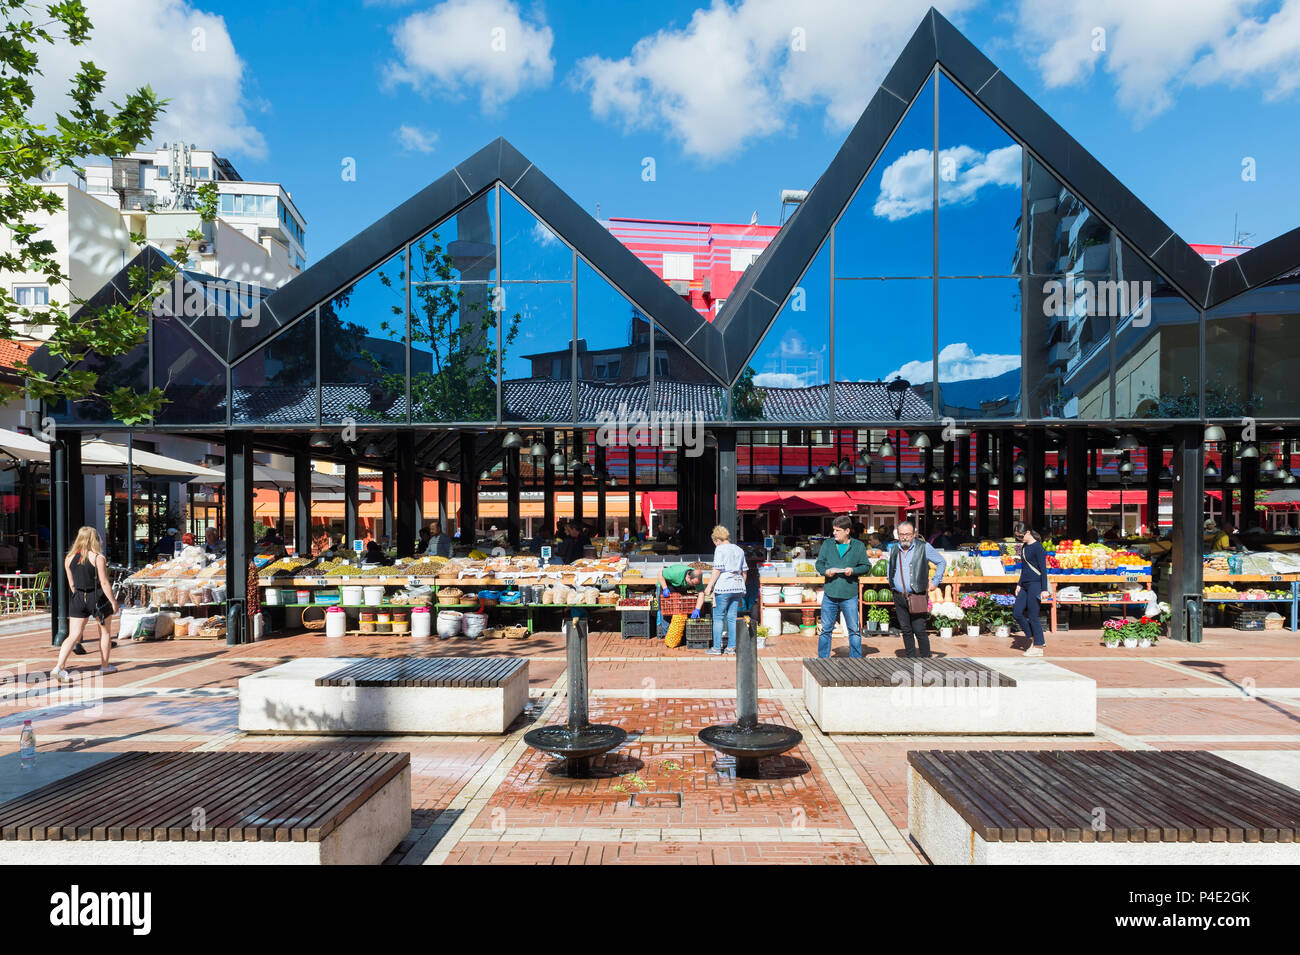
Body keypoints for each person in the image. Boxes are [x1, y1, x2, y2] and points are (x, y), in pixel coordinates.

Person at [52, 527, 118, 682]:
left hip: (78, 597)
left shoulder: (68, 558)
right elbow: (103, 582)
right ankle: (105, 666)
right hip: (97, 597)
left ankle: (59, 667)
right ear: (94, 539)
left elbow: (72, 584)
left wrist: (78, 596)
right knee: (105, 633)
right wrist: (113, 601)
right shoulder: (98, 558)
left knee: (73, 635)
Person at [888, 520, 946, 658]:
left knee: (919, 630)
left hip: (917, 595)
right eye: (901, 534)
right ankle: (910, 659)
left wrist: (935, 581)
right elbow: (891, 567)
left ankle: (925, 659)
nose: (904, 537)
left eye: (907, 534)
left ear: (914, 534)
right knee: (906, 630)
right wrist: (890, 582)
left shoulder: (924, 547)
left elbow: (941, 562)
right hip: (899, 595)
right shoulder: (895, 548)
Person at [814, 515, 871, 658]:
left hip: (849, 594)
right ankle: (823, 659)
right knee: (826, 629)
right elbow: (819, 563)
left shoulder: (858, 546)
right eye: (833, 530)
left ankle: (855, 660)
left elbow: (866, 566)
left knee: (853, 630)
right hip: (830, 593)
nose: (834, 533)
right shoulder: (828, 544)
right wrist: (825, 571)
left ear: (847, 531)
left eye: (837, 530)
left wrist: (853, 570)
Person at [697, 525, 747, 654]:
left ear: (717, 540)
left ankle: (717, 648)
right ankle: (731, 647)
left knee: (718, 617)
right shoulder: (739, 550)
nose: (715, 545)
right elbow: (745, 572)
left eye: (715, 542)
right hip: (737, 586)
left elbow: (717, 569)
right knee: (732, 617)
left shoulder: (720, 549)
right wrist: (741, 589)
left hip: (724, 586)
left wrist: (709, 586)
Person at [1011, 523, 1050, 657]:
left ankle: (1038, 646)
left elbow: (1043, 570)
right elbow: (1024, 568)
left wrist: (1044, 589)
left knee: (1033, 615)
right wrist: (1019, 584)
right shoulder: (1024, 546)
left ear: (1028, 532)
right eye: (1017, 537)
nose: (1019, 538)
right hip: (1025, 584)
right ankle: (1035, 639)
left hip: (1035, 584)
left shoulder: (1038, 548)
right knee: (1017, 612)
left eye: (1020, 536)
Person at [655, 563, 703, 636]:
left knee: (679, 610)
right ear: (688, 577)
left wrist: (697, 609)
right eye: (693, 584)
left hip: (679, 587)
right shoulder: (676, 572)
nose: (695, 586)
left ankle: (677, 634)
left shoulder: (697, 578)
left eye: (696, 584)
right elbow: (660, 573)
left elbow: (701, 593)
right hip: (666, 584)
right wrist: (664, 588)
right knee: (666, 610)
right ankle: (667, 635)